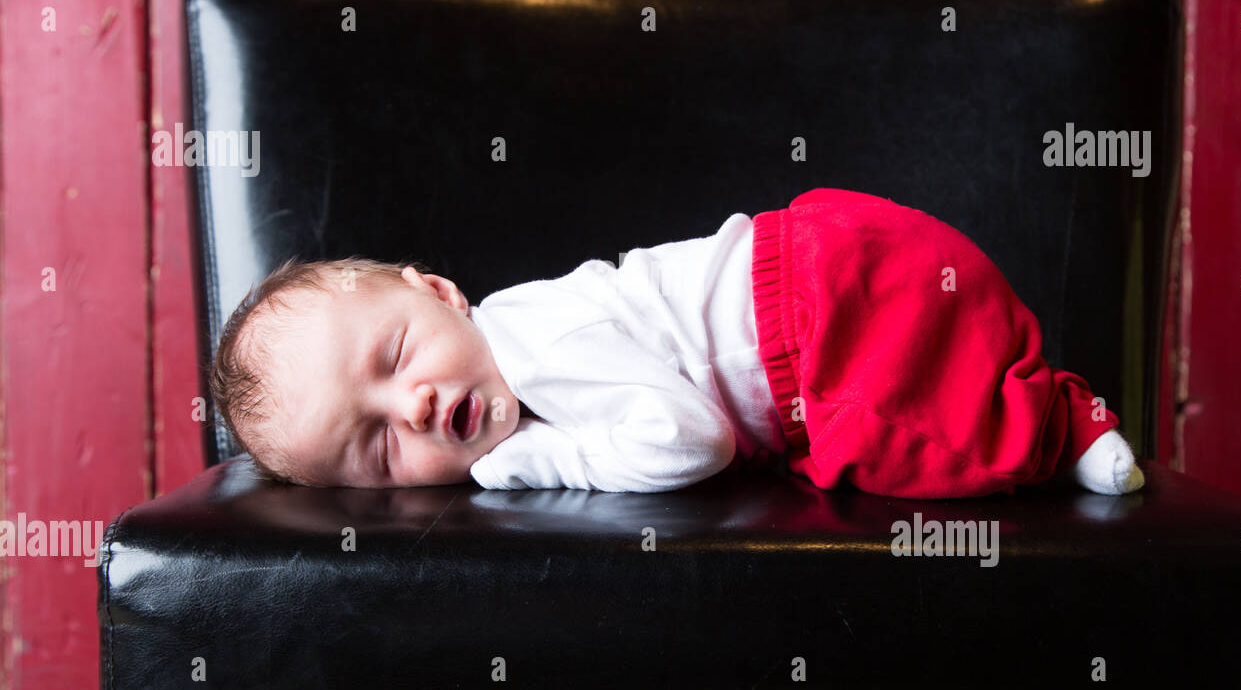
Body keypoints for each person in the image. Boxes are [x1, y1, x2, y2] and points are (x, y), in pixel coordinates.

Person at [209, 187, 1144, 498]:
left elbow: (693, 439)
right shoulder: (510, 354)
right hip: (807, 272)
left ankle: (1061, 432)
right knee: (959, 374)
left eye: (395, 357)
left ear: (444, 295)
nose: (409, 406)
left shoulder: (531, 340)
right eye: (378, 447)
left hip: (813, 309)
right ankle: (1070, 415)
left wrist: (545, 460)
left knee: (920, 441)